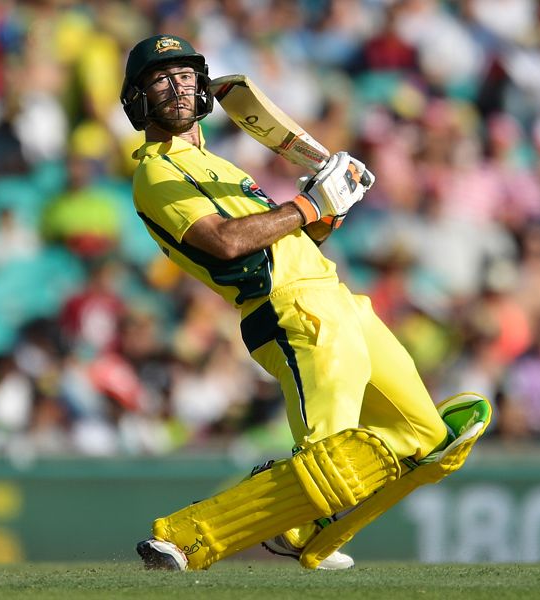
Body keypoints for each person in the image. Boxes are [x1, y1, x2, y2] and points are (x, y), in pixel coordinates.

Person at [121, 34, 491, 572]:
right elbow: (225, 242)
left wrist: (327, 213)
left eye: (183, 76)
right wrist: (308, 202)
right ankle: (186, 538)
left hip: (338, 299)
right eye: (160, 79)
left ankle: (304, 533)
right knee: (333, 462)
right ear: (139, 98)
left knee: (431, 440)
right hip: (291, 313)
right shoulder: (154, 173)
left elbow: (280, 242)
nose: (176, 87)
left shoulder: (222, 165)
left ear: (200, 86)